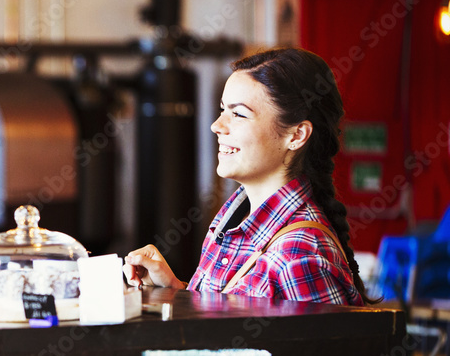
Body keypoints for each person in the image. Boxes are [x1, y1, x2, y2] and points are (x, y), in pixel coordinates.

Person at [124, 47, 374, 306]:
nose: (217, 126)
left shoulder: (299, 256)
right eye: (223, 110)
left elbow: (322, 337)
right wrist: (175, 290)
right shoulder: (233, 218)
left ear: (296, 135)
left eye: (239, 114)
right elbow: (225, 319)